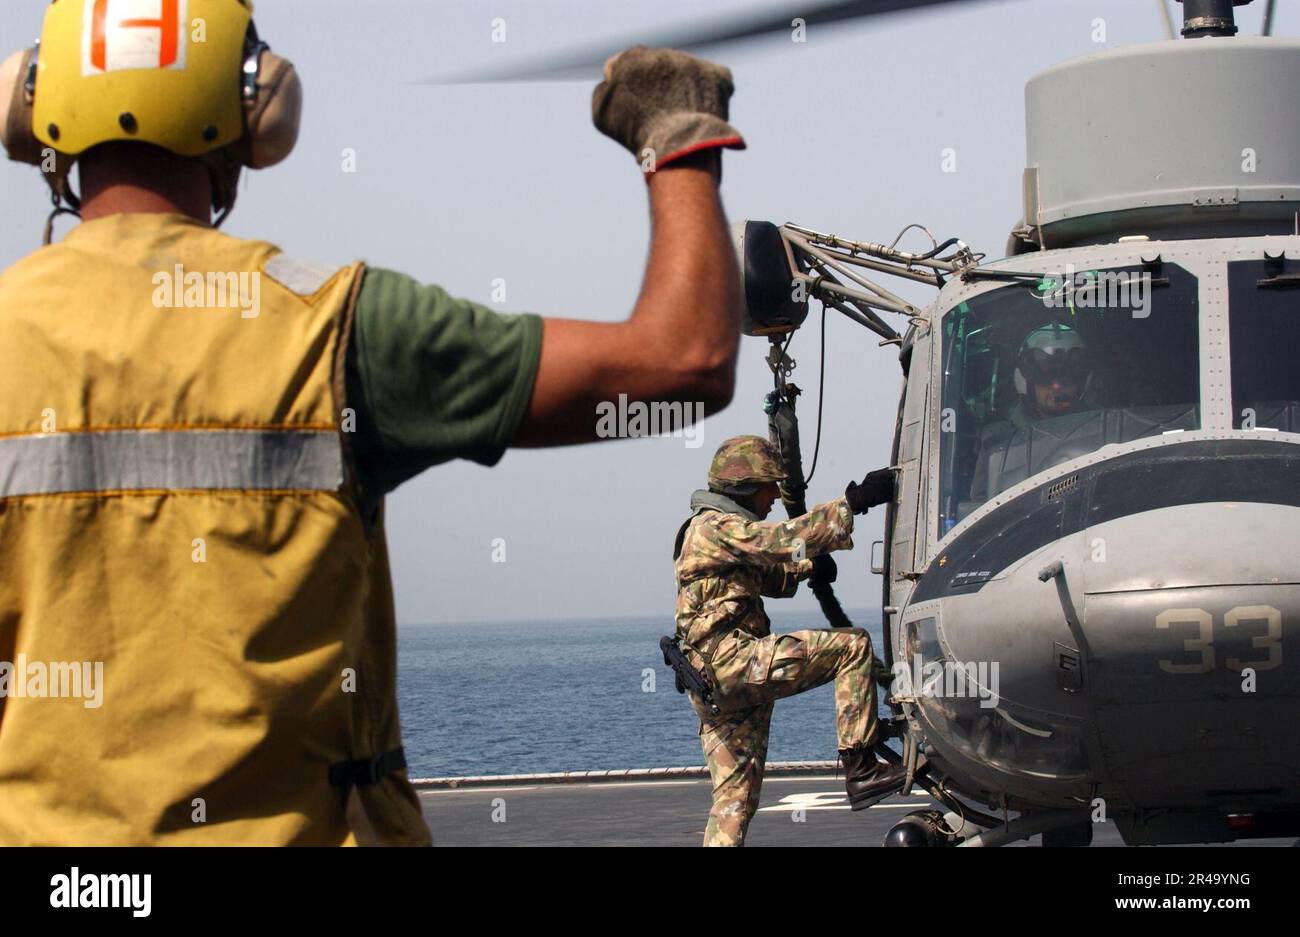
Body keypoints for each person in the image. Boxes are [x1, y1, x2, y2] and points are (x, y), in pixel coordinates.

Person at [0, 1, 745, 845]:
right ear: (253, 106)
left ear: (34, 106)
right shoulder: (337, 327)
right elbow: (684, 359)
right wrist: (675, 134)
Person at [672, 435, 905, 846]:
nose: (774, 500)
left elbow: (767, 575)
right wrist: (854, 503)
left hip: (714, 684)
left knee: (733, 801)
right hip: (733, 663)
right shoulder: (714, 527)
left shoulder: (716, 536)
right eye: (769, 489)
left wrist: (808, 570)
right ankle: (860, 766)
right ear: (746, 487)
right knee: (852, 647)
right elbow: (778, 542)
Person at [968, 322, 1094, 506]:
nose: (1057, 387)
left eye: (1067, 378)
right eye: (1046, 379)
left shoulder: (1108, 431)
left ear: (1083, 381)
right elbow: (979, 506)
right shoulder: (999, 441)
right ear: (1026, 381)